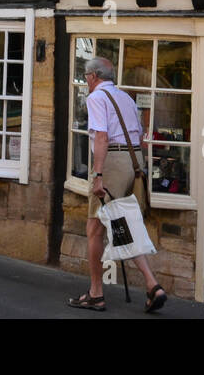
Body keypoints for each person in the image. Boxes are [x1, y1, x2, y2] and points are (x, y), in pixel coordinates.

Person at [69, 56, 167, 313]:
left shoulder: (96, 98)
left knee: (95, 230)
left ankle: (95, 294)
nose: (87, 81)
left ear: (92, 77)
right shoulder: (125, 97)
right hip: (134, 161)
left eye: (87, 77)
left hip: (111, 161)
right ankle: (152, 285)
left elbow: (101, 136)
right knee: (123, 223)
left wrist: (98, 175)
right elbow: (141, 135)